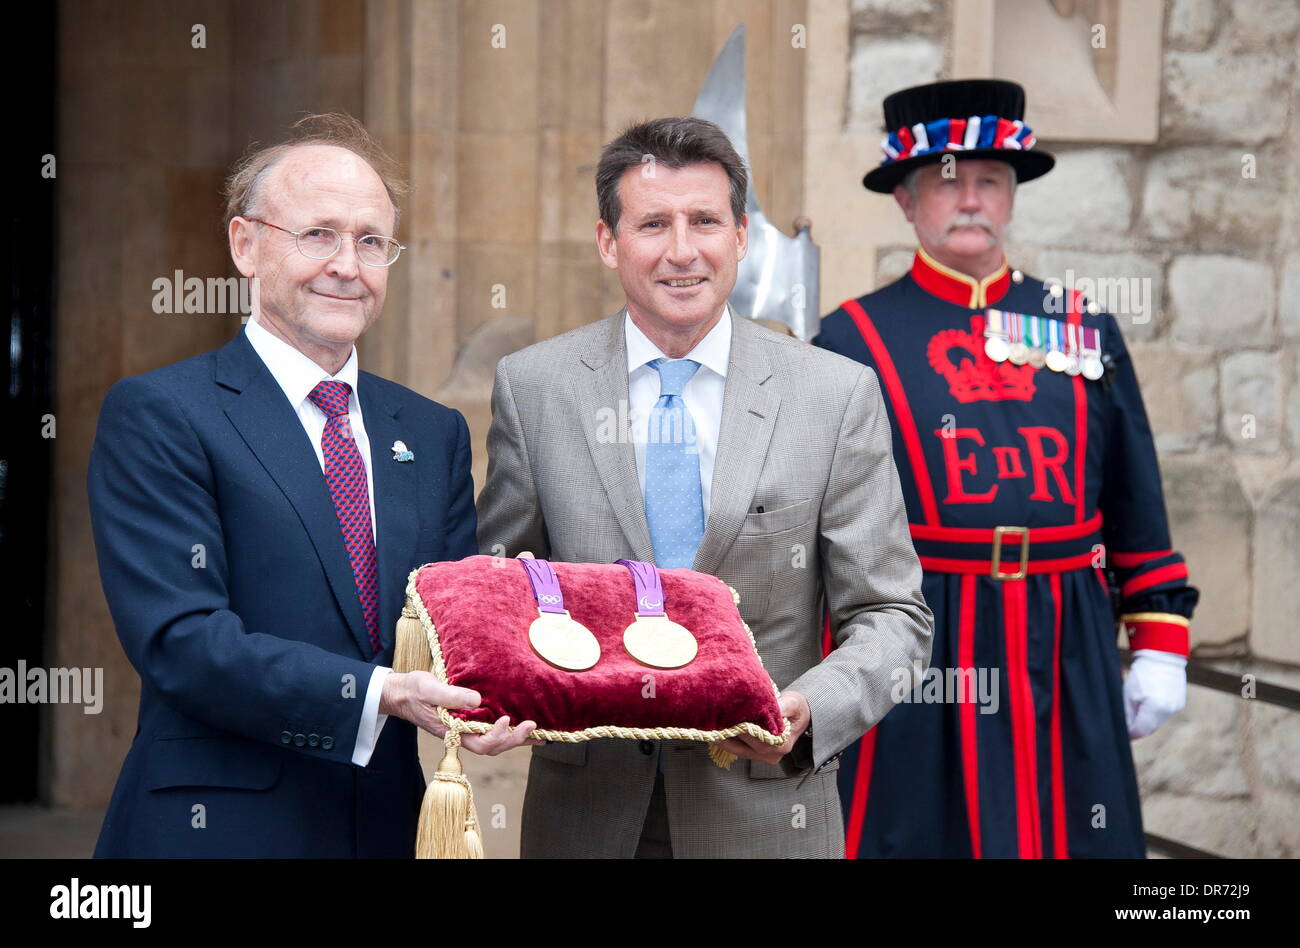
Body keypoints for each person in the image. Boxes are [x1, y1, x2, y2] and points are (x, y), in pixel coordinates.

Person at [475, 116, 933, 858]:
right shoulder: (535, 388)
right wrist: (496, 693)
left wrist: (808, 709)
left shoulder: (834, 395)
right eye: (653, 223)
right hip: (585, 817)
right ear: (607, 242)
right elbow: (502, 590)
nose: (682, 250)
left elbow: (890, 614)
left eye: (705, 221)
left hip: (765, 814)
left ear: (742, 236)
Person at [88, 113, 537, 858]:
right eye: (318, 234)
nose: (347, 264)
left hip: (384, 827)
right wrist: (379, 692)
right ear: (245, 245)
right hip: (218, 829)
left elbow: (448, 624)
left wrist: (511, 640)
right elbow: (181, 639)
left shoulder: (430, 433)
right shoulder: (163, 413)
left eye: (370, 241)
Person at [815, 80, 1199, 858]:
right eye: (947, 180)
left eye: (989, 180)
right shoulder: (849, 337)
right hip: (923, 640)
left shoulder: (1082, 324)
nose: (970, 198)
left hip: (1066, 637)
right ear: (907, 200)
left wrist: (1158, 634)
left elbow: (1133, 491)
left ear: (1012, 196)